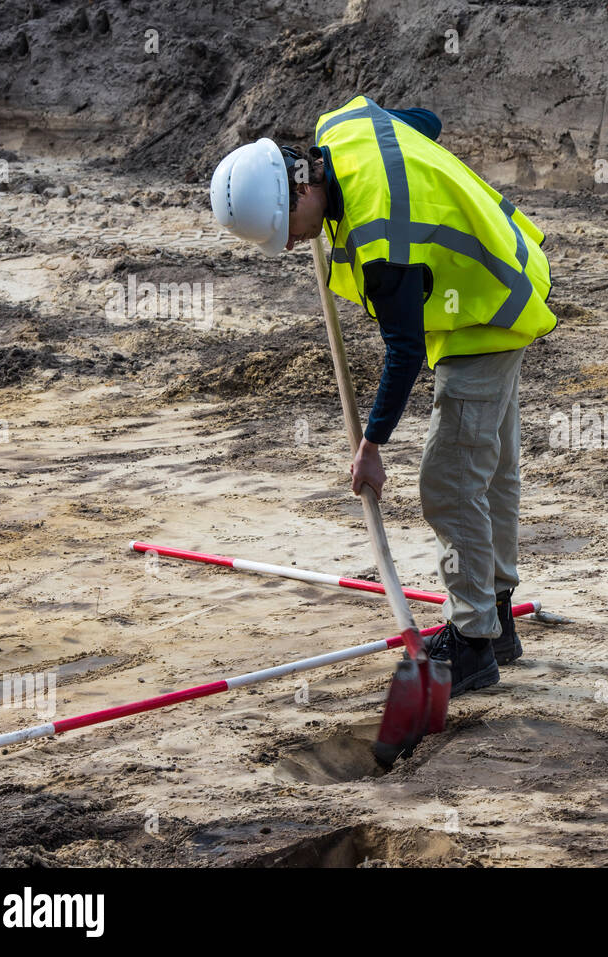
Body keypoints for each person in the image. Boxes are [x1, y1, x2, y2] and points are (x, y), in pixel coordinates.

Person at [210, 95, 556, 695]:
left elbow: (404, 351)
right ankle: (496, 621)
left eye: (286, 233)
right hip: (492, 280)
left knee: (449, 481)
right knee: (491, 468)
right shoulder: (340, 127)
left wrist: (371, 445)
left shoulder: (381, 238)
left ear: (300, 192)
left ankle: (473, 642)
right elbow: (425, 122)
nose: (292, 246)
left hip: (483, 313)